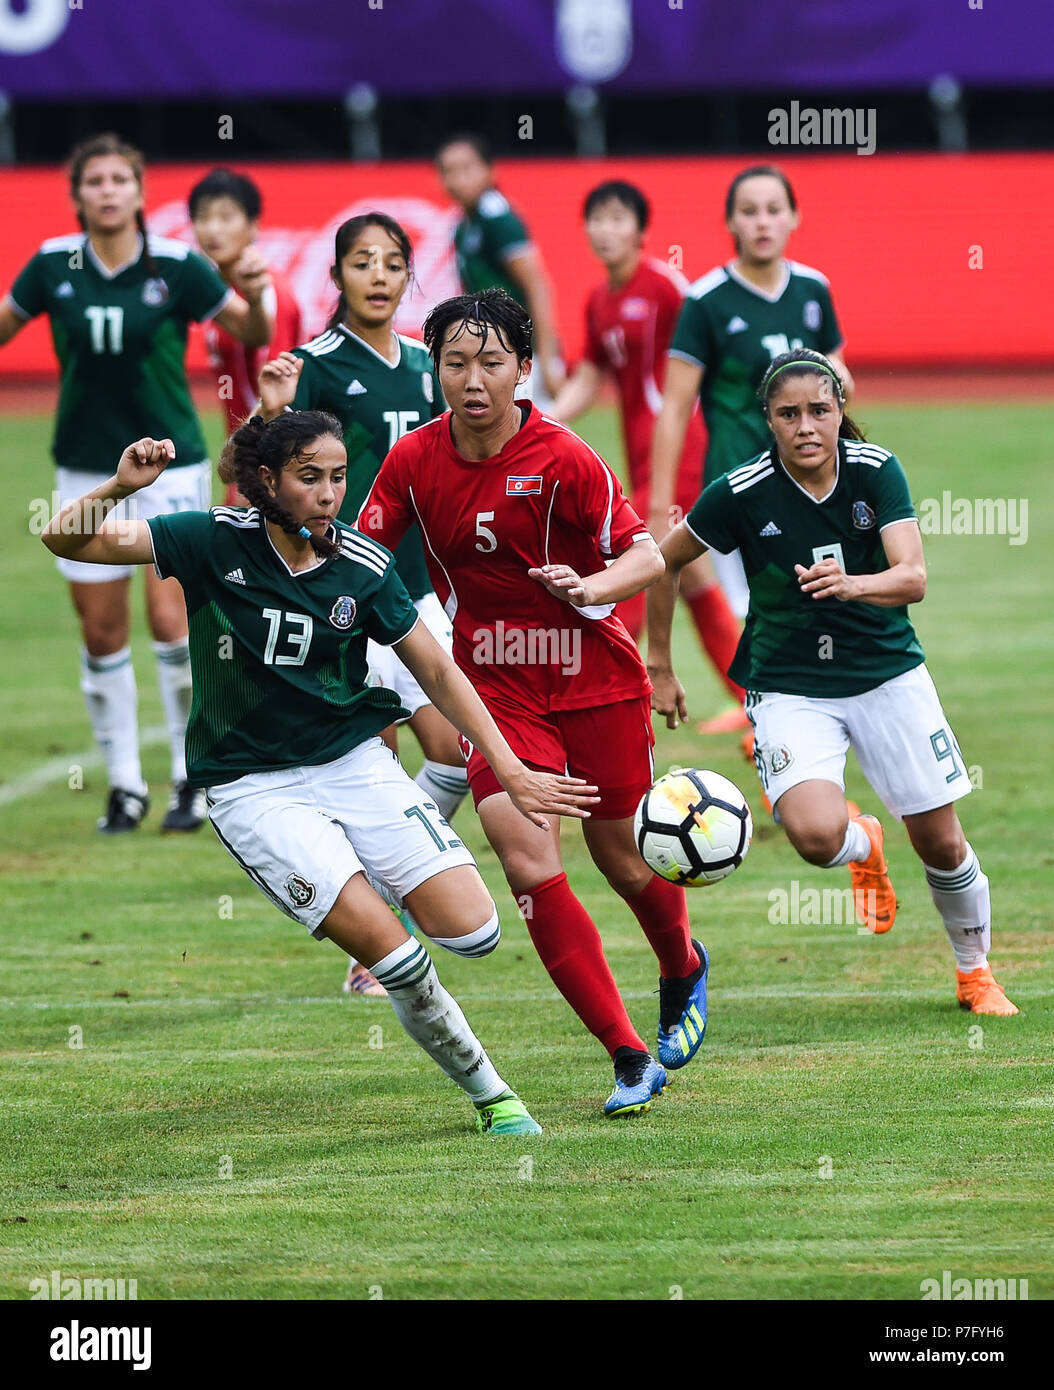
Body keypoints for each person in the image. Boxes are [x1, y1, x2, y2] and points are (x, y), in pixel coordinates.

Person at [41, 411, 603, 1134]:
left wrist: (510, 768)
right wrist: (120, 485)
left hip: (354, 764)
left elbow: (437, 670)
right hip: (253, 786)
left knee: (477, 933)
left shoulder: (364, 567)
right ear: (268, 481)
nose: (329, 493)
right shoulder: (213, 539)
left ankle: (371, 892)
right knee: (399, 960)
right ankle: (493, 1096)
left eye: (338, 477)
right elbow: (64, 538)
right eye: (310, 477)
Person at [358, 288, 714, 1116]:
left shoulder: (567, 458)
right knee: (526, 860)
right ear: (435, 368)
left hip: (593, 679)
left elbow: (646, 559)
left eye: (491, 362)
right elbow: (365, 560)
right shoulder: (411, 460)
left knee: (622, 857)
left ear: (523, 369)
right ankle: (628, 1056)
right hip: (494, 686)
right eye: (454, 362)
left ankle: (681, 966)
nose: (473, 379)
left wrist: (589, 586)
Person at [647, 348, 1018, 1018]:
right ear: (769, 420)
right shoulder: (741, 491)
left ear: (841, 410)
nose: (806, 425)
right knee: (816, 838)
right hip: (788, 683)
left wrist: (854, 585)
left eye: (819, 409)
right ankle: (862, 842)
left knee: (940, 841)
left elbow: (914, 576)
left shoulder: (876, 471)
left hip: (886, 673)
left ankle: (975, 972)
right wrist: (661, 666)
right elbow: (664, 561)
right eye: (788, 414)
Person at [0, 132, 273, 834]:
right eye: (95, 181)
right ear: (79, 195)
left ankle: (191, 778)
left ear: (141, 192)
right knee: (100, 631)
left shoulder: (179, 266)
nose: (109, 190)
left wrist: (257, 288)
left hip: (171, 462)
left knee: (169, 619)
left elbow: (253, 326)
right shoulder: (51, 264)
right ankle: (123, 784)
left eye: (121, 179)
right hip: (86, 465)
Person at [253, 213, 470, 997]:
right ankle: (376, 939)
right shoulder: (307, 366)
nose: (377, 276)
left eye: (391, 263)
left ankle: (381, 898)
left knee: (453, 752)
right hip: (339, 597)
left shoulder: (431, 364)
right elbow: (253, 477)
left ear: (410, 277)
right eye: (360, 262)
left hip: (413, 586)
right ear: (337, 275)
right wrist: (272, 414)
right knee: (373, 759)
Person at [651, 164, 851, 736]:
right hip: (743, 488)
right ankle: (780, 751)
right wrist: (663, 500)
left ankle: (795, 747)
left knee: (817, 616)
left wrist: (841, 379)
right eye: (749, 210)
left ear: (793, 217)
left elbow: (840, 376)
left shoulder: (814, 289)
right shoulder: (706, 300)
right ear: (730, 221)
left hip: (816, 489)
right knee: (756, 620)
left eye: (773, 209)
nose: (762, 221)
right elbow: (675, 406)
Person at [550, 179, 743, 717]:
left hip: (679, 456)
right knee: (688, 573)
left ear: (641, 229)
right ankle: (750, 699)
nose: (605, 230)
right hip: (643, 457)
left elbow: (710, 357)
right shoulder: (599, 299)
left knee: (634, 561)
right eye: (597, 219)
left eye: (618, 219)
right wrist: (540, 420)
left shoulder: (665, 288)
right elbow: (589, 376)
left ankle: (593, 692)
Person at [188, 167, 302, 502]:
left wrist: (253, 477)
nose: (213, 229)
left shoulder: (268, 294)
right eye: (203, 217)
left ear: (254, 225)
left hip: (267, 472)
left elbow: (279, 397)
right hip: (242, 466)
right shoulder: (219, 294)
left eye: (226, 217)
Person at [436, 133, 564, 401]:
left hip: (523, 355)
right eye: (449, 171)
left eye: (467, 169)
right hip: (494, 352)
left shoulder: (498, 220)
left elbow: (537, 285)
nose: (458, 179)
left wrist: (547, 359)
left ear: (488, 170)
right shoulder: (464, 225)